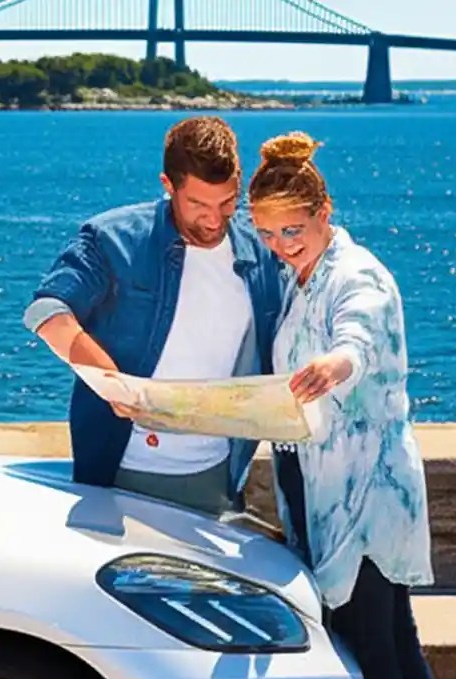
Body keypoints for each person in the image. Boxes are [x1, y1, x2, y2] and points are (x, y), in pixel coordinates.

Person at [247, 130, 439, 679]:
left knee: (370, 654)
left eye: (292, 231)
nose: (280, 245)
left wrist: (336, 364)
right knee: (393, 644)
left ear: (324, 214)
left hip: (365, 495)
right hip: (325, 485)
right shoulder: (301, 276)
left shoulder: (357, 275)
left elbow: (357, 335)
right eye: (267, 233)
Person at [23, 115, 284, 515]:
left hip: (217, 477)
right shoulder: (112, 237)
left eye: (227, 203)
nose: (214, 220)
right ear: (168, 185)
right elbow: (47, 311)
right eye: (198, 204)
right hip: (118, 474)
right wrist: (111, 383)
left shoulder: (261, 250)